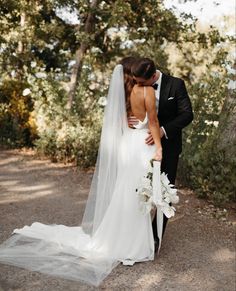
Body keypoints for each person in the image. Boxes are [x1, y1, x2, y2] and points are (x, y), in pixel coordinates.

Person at [0, 60, 163, 287]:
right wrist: (158, 146)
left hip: (129, 143)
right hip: (142, 146)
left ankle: (117, 238)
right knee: (136, 192)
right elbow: (153, 121)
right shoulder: (145, 91)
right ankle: (133, 244)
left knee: (126, 190)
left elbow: (129, 119)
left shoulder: (131, 90)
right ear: (149, 76)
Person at [129, 57, 194, 249]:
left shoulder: (176, 85)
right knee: (137, 189)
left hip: (169, 146)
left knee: (165, 192)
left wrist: (163, 131)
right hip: (141, 147)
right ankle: (134, 233)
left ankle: (155, 237)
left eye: (141, 82)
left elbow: (187, 114)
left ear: (152, 76)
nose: (138, 85)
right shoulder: (136, 85)